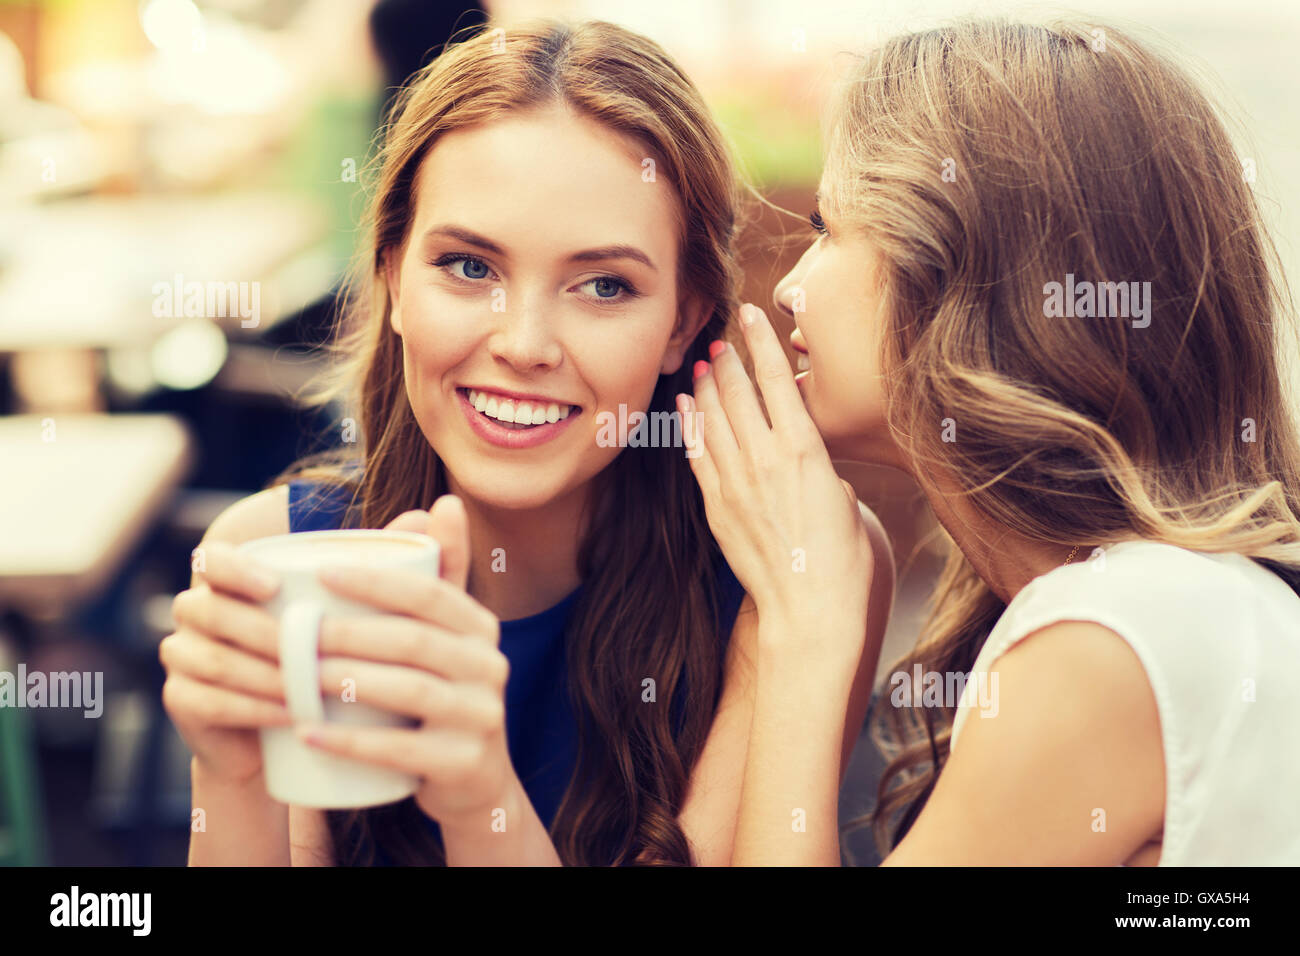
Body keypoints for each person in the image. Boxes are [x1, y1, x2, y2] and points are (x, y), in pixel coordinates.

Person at [159, 19, 893, 866]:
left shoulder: (790, 576)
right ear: (392, 278)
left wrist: (480, 799)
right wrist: (232, 778)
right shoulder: (271, 557)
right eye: (470, 267)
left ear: (681, 323)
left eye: (604, 285)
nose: (524, 343)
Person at [681, 18, 1300, 865]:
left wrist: (800, 625)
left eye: (828, 226)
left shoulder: (1109, 642)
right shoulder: (1174, 605)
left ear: (962, 271)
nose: (787, 286)